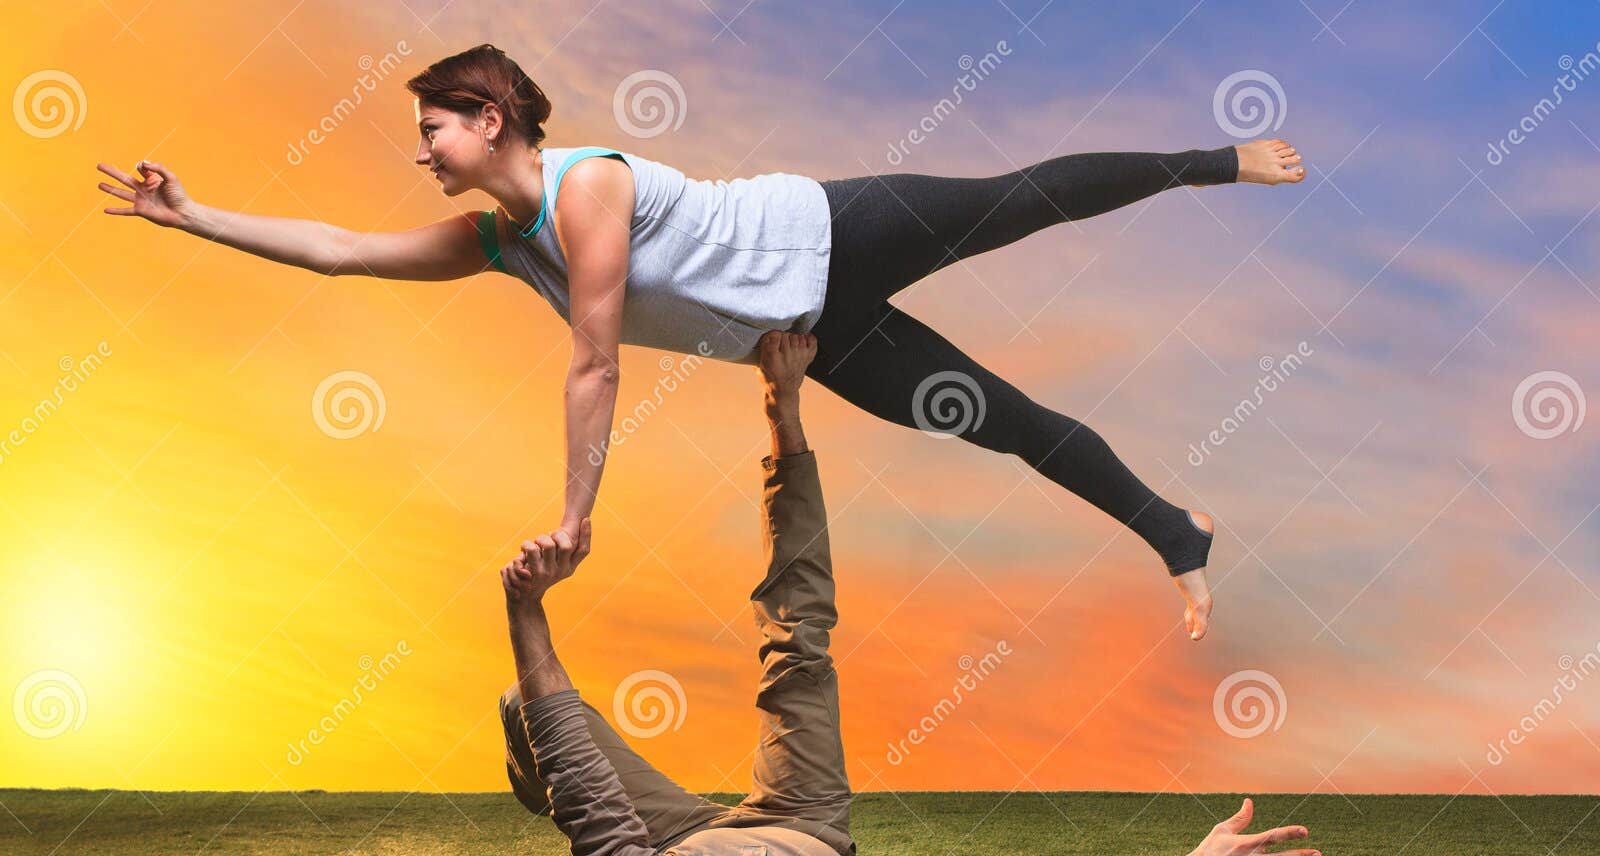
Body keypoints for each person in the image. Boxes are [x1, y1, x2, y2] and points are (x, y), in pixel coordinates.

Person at [96, 44, 1307, 642]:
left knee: (1023, 194)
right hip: (813, 331)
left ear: (492, 118)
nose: (420, 153)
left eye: (433, 131)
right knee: (1000, 421)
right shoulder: (497, 241)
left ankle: (1220, 162)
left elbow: (595, 360)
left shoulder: (584, 193)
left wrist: (576, 514)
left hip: (838, 227)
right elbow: (342, 249)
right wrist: (191, 215)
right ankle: (1173, 530)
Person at [497, 330, 1322, 856]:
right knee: (799, 644)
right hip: (807, 817)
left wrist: (528, 605)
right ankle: (788, 421)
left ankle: (780, 417)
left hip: (676, 837)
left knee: (527, 709)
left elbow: (582, 770)